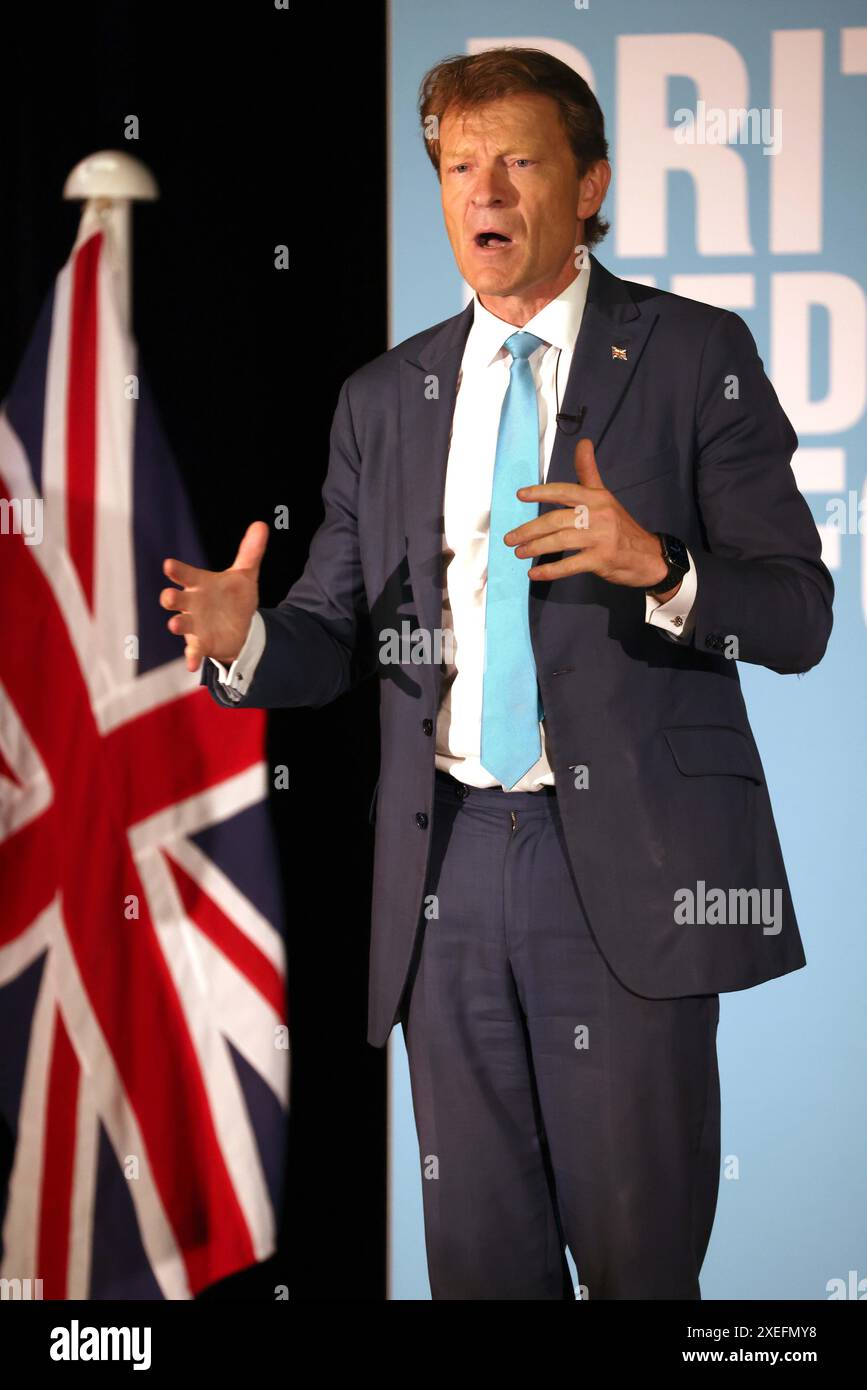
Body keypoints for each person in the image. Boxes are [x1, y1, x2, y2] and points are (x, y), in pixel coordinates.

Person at [160, 48, 833, 1299]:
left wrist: (662, 565)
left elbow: (799, 616)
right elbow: (327, 632)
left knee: (640, 1269)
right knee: (479, 1268)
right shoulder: (384, 396)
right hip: (446, 873)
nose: (487, 190)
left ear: (589, 187)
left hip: (628, 870)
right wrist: (245, 639)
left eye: (519, 161)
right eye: (461, 167)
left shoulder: (692, 355)